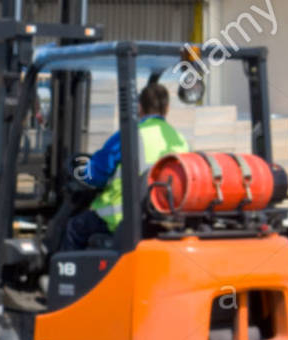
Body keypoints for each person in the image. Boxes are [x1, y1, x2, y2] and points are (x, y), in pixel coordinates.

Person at [48, 81, 188, 253]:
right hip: (159, 218)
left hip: (120, 218)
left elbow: (95, 175)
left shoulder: (129, 135)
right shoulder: (179, 140)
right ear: (166, 108)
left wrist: (82, 173)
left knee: (74, 228)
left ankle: (63, 278)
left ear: (140, 107)